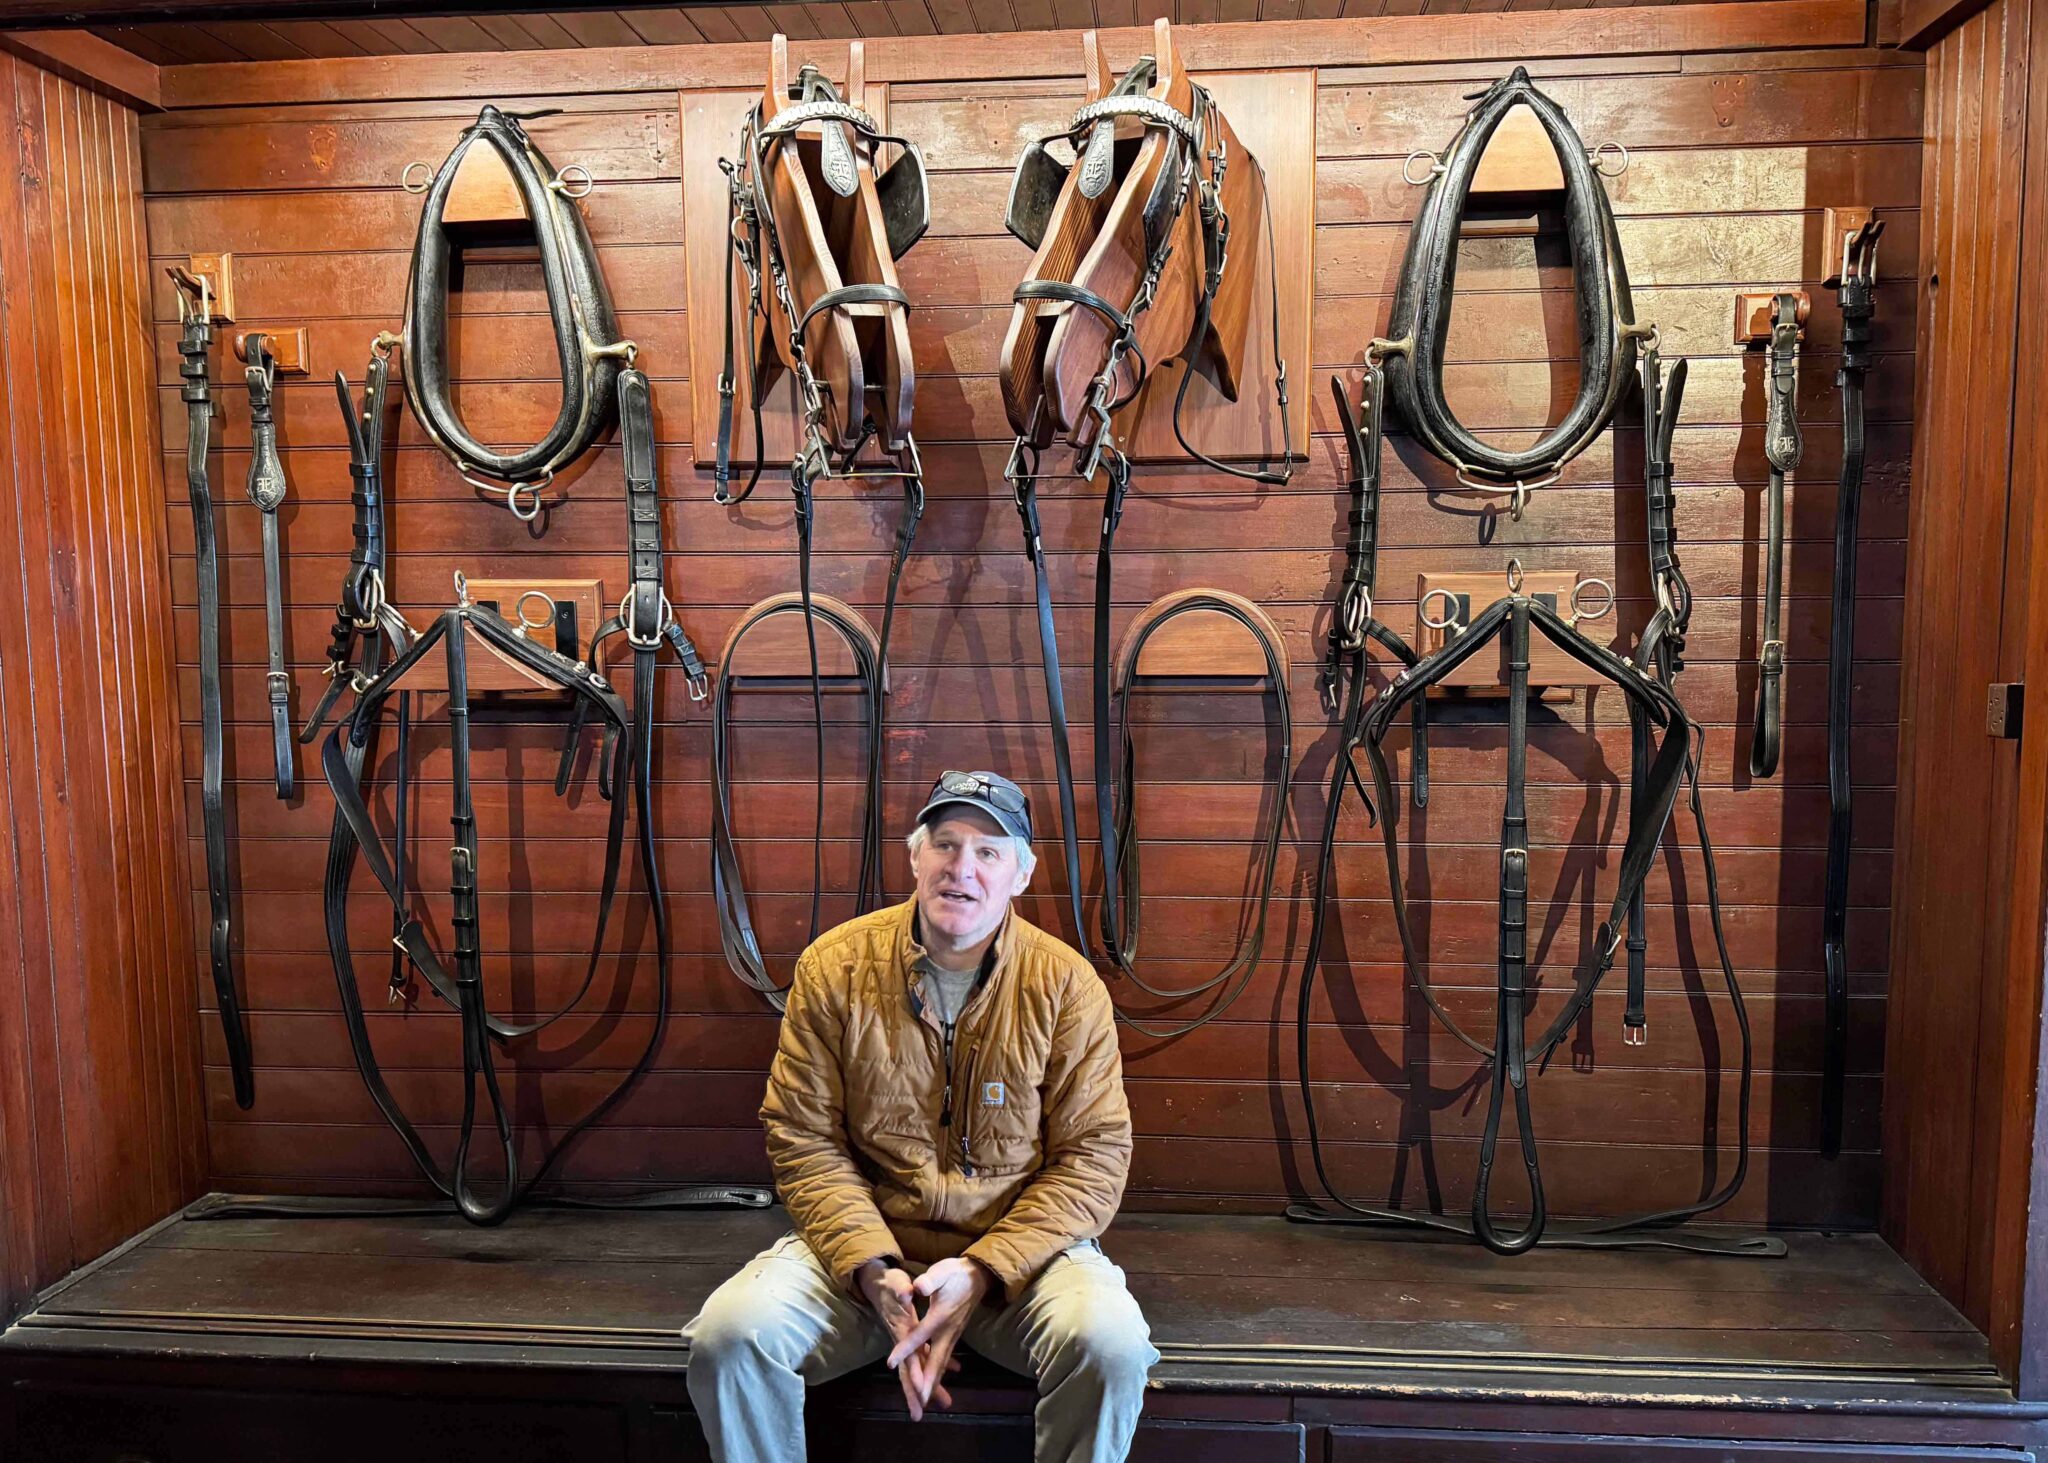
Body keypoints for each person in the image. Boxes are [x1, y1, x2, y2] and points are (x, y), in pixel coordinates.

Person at [684, 769, 1156, 1462]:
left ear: (1020, 875)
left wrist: (983, 1270)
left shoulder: (1065, 986)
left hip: (1015, 1267)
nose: (961, 867)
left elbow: (1095, 1158)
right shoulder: (834, 967)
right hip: (866, 1258)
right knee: (728, 1337)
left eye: (989, 851)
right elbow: (802, 1136)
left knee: (1112, 1345)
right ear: (915, 858)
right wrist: (872, 1267)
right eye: (946, 843)